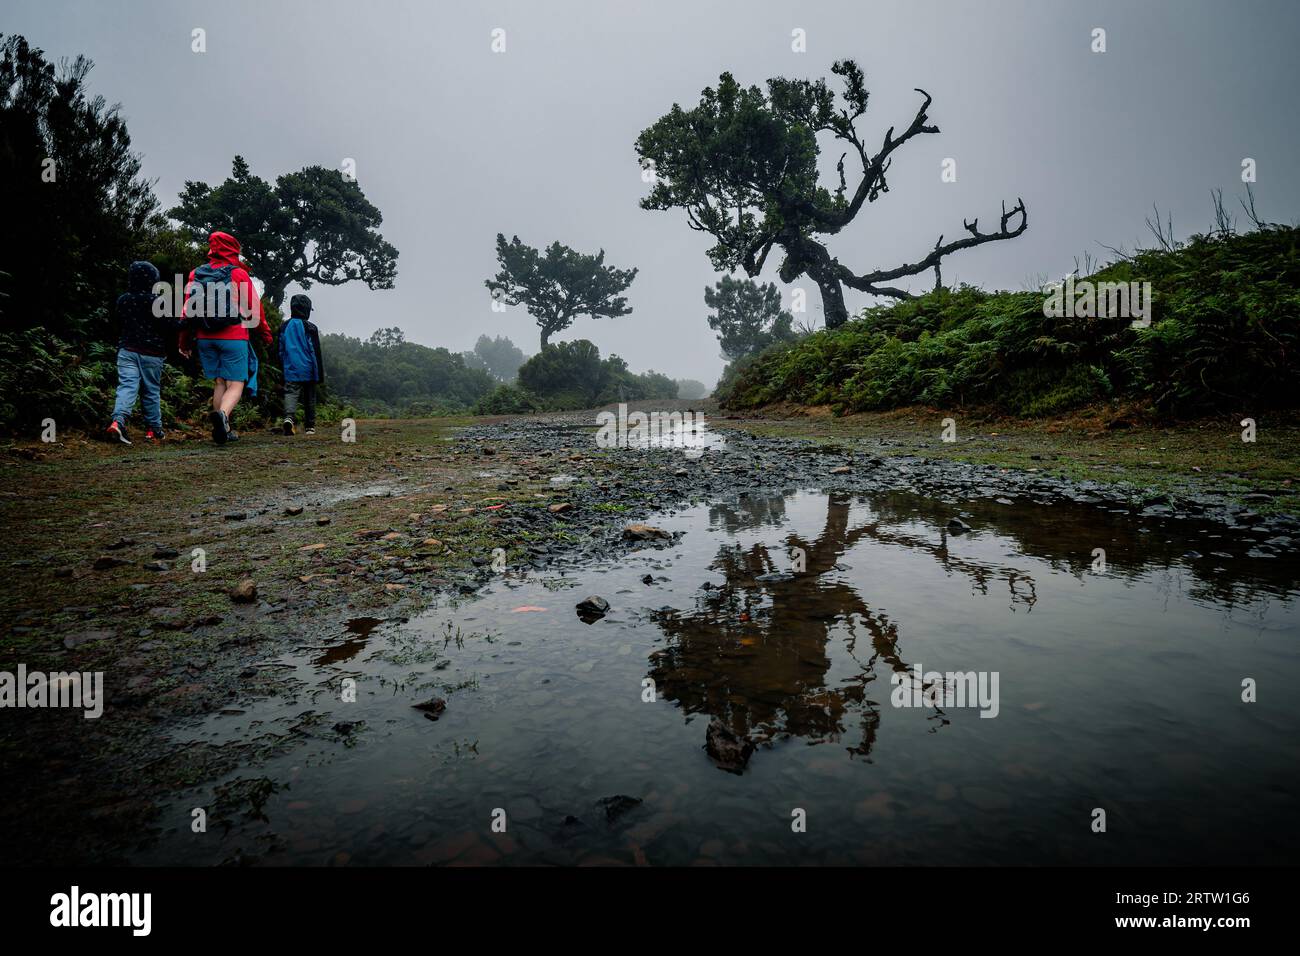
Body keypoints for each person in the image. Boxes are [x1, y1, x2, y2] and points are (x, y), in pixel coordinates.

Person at [178, 231, 272, 444]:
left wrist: (183, 341)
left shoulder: (196, 274)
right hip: (233, 336)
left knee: (220, 382)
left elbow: (186, 311)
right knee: (236, 384)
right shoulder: (238, 274)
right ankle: (222, 417)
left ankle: (222, 428)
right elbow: (254, 308)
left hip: (204, 337)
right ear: (233, 250)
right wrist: (265, 333)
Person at [105, 260, 174, 444]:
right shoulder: (158, 302)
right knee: (151, 390)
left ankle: (118, 422)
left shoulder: (123, 300)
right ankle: (154, 430)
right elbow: (169, 327)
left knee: (127, 386)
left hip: (127, 350)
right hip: (152, 353)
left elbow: (116, 323)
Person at [278, 293, 325, 435]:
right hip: (309, 368)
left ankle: (289, 418)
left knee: (291, 393)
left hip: (291, 367)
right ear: (307, 309)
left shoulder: (284, 326)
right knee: (309, 396)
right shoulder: (310, 327)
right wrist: (320, 374)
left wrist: (282, 366)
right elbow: (315, 351)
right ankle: (310, 426)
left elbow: (280, 349)